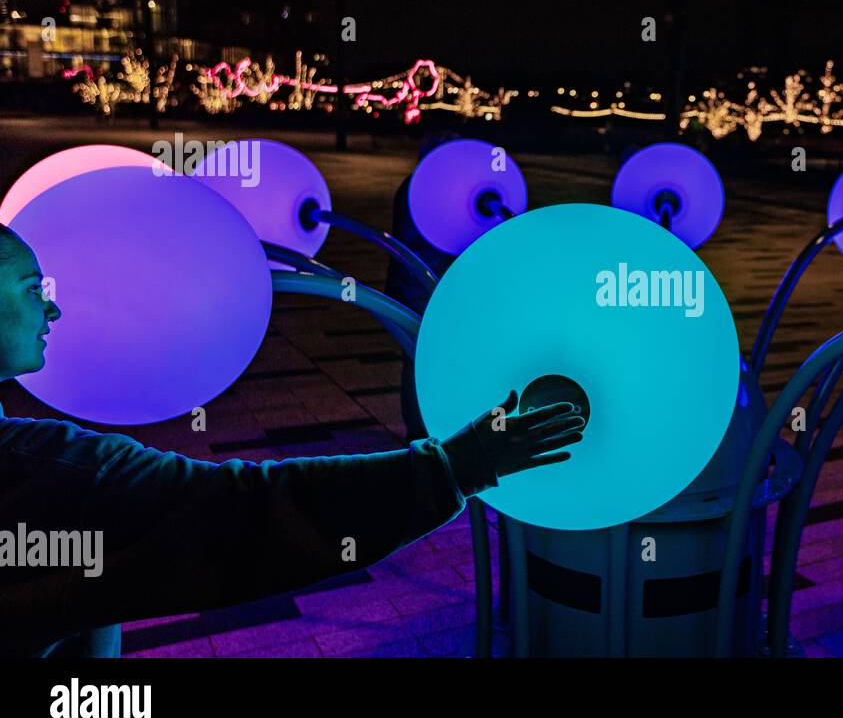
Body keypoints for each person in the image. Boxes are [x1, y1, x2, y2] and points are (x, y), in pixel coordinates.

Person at [0, 224, 584, 657]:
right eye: (31, 289)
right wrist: (456, 466)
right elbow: (236, 511)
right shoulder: (38, 465)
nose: (52, 307)